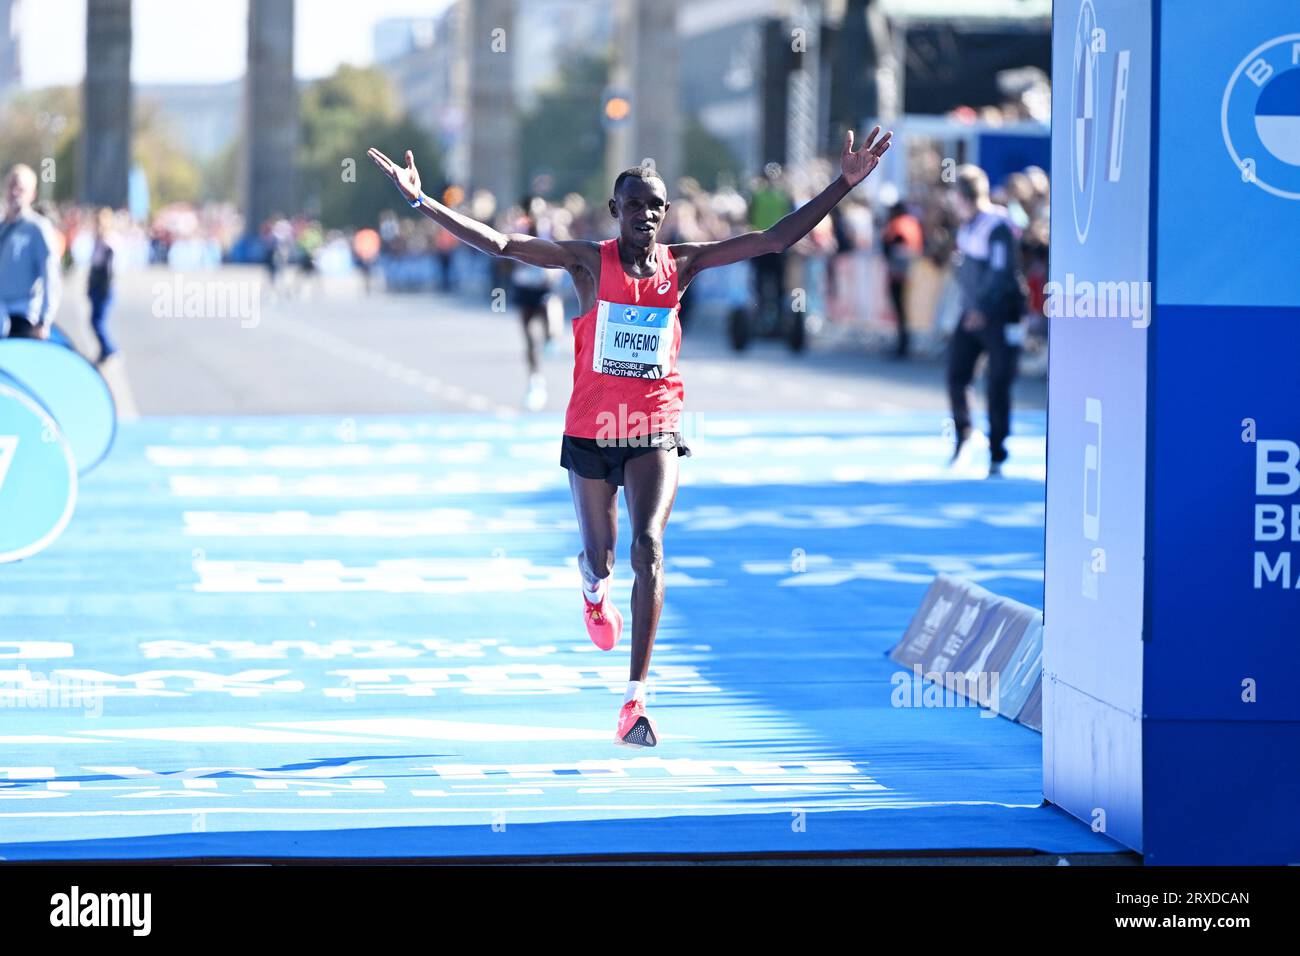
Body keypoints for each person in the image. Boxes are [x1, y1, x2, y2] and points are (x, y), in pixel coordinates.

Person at [368, 126, 892, 745]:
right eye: (633, 204)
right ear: (615, 211)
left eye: (654, 206)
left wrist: (844, 184)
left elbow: (775, 240)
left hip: (654, 426)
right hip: (591, 431)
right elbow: (503, 243)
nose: (644, 214)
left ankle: (635, 702)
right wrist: (420, 202)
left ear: (665, 215)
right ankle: (593, 588)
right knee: (605, 558)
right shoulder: (589, 261)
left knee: (649, 546)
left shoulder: (685, 263)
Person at [946, 165, 1026, 477]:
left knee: (999, 380)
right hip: (972, 313)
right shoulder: (965, 227)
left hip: (1000, 314)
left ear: (964, 196)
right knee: (957, 372)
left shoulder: (998, 225)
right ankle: (964, 435)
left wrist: (983, 308)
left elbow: (1000, 271)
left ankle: (997, 448)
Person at [0, 164, 61, 340]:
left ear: (32, 194)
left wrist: (44, 320)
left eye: (21, 188)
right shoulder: (3, 227)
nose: (14, 193)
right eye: (11, 186)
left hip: (23, 317)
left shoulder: (38, 228)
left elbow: (51, 275)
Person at [881, 201, 923, 359]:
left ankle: (902, 345)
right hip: (911, 273)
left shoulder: (897, 225)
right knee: (905, 311)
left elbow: (896, 247)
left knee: (901, 311)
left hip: (899, 274)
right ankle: (904, 343)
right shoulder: (913, 224)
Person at [87, 206, 118, 365]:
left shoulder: (108, 241)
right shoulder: (97, 239)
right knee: (95, 320)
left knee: (98, 321)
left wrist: (105, 287)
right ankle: (105, 350)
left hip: (103, 285)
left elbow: (109, 269)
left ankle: (110, 350)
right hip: (96, 282)